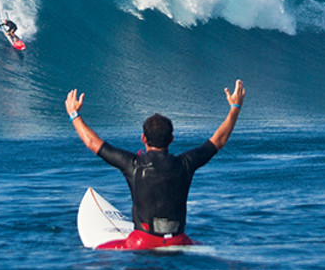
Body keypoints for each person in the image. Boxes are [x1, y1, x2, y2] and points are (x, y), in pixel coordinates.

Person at [64, 79, 245, 248]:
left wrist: (74, 114)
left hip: (143, 241)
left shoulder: (133, 164)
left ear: (143, 138)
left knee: (97, 257)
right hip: (178, 240)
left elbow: (92, 143)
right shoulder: (185, 163)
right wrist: (235, 107)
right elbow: (218, 141)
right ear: (171, 139)